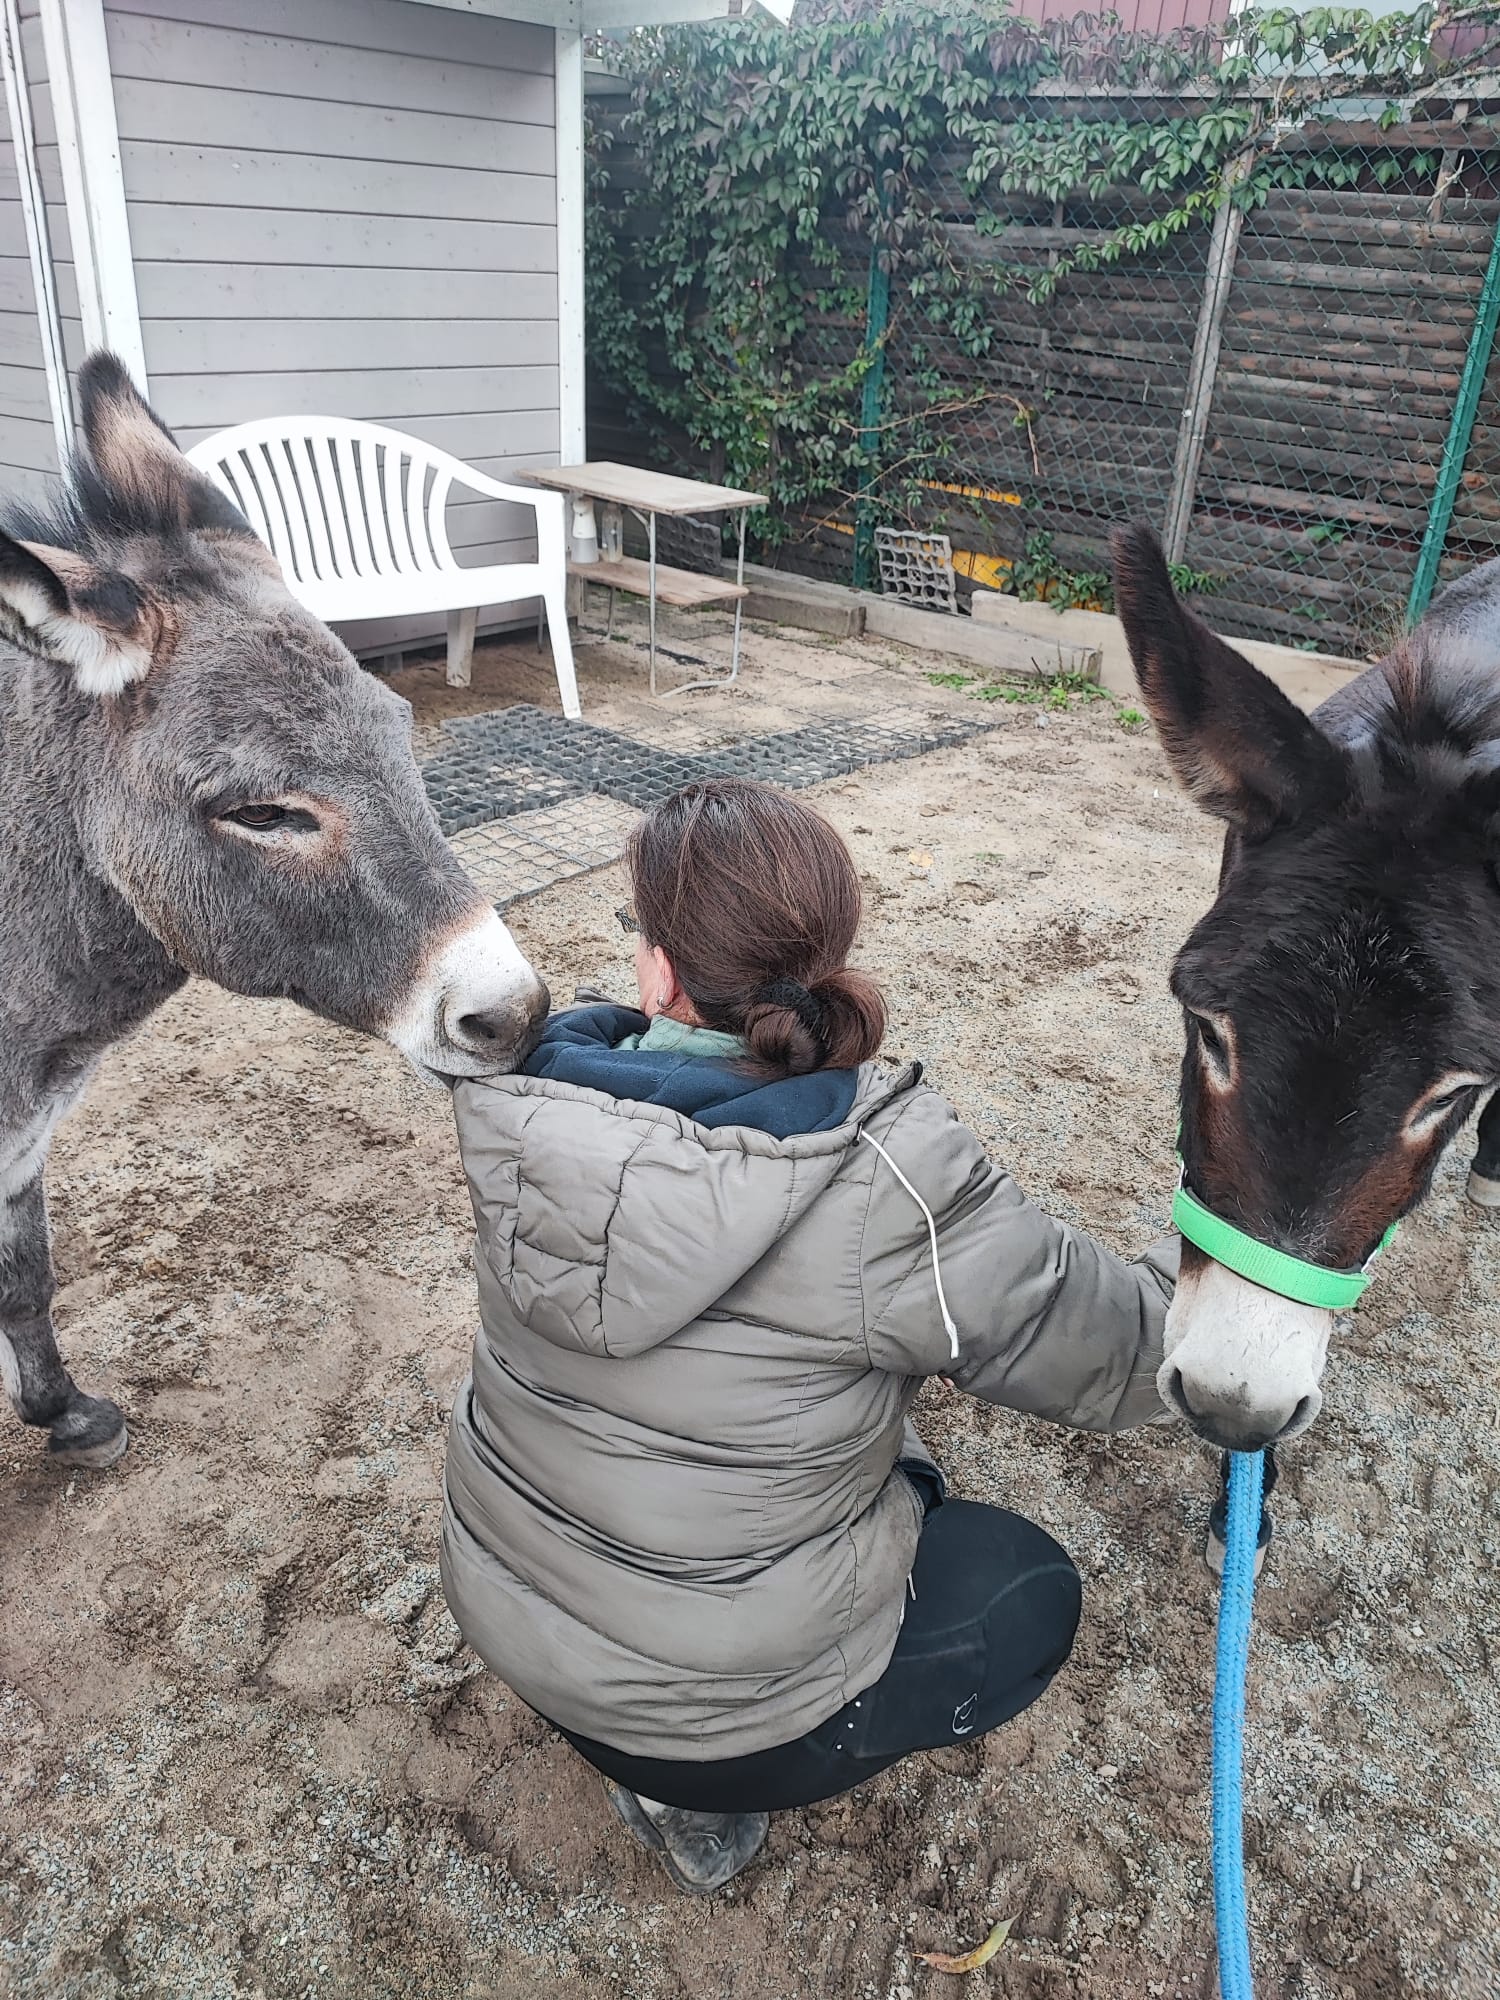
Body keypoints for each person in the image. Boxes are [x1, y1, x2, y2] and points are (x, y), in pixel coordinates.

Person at [440, 778, 1176, 1896]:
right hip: (716, 1721)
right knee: (1025, 1584)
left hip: (503, 1605)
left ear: (659, 968)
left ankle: (654, 1771)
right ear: (829, 949)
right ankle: (692, 1784)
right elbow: (1128, 1355)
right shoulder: (885, 1168)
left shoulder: (526, 1099)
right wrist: (1231, 1238)